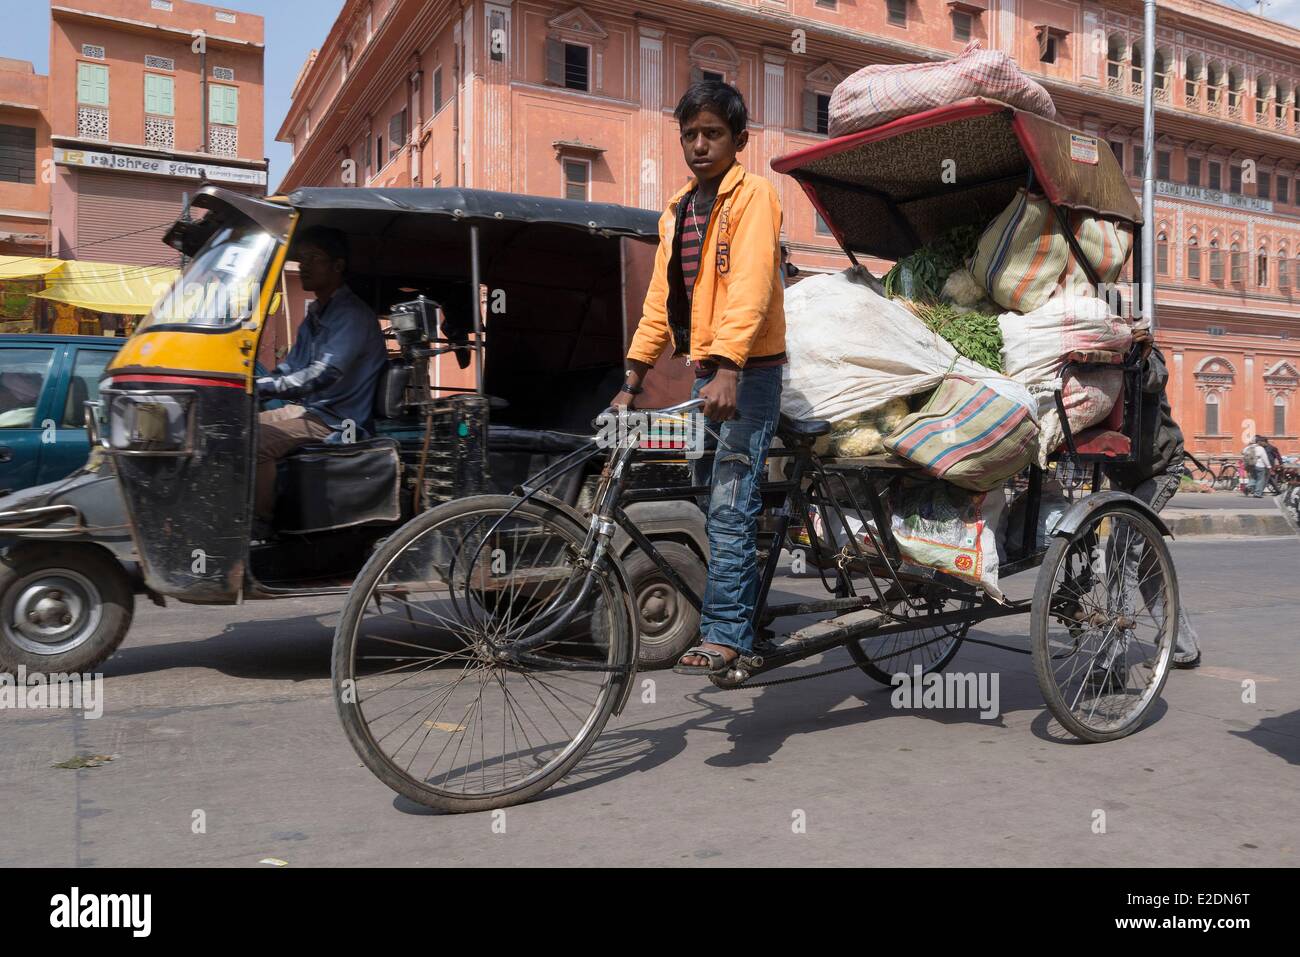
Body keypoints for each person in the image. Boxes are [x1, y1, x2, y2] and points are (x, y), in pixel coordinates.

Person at [611, 79, 786, 676]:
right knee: (711, 501)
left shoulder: (755, 197)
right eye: (689, 134)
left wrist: (732, 366)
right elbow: (661, 302)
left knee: (731, 503)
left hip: (748, 374)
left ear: (739, 140)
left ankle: (727, 634)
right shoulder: (678, 211)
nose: (699, 145)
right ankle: (739, 614)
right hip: (706, 374)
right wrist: (633, 377)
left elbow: (752, 285)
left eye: (712, 133)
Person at [254, 226, 388, 527]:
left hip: (338, 420)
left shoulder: (351, 316)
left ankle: (262, 529)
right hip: (312, 412)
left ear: (338, 266)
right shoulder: (316, 315)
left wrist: (258, 388)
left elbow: (321, 375)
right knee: (232, 427)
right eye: (301, 258)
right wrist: (253, 385)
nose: (304, 266)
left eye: (314, 258)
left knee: (255, 442)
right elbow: (291, 369)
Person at [1103, 323, 1201, 668]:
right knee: (1141, 559)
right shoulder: (1093, 367)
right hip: (1122, 473)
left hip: (1159, 470)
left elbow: (1154, 378)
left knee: (1122, 550)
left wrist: (1141, 352)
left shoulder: (1144, 356)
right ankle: (1183, 644)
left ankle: (1114, 652)